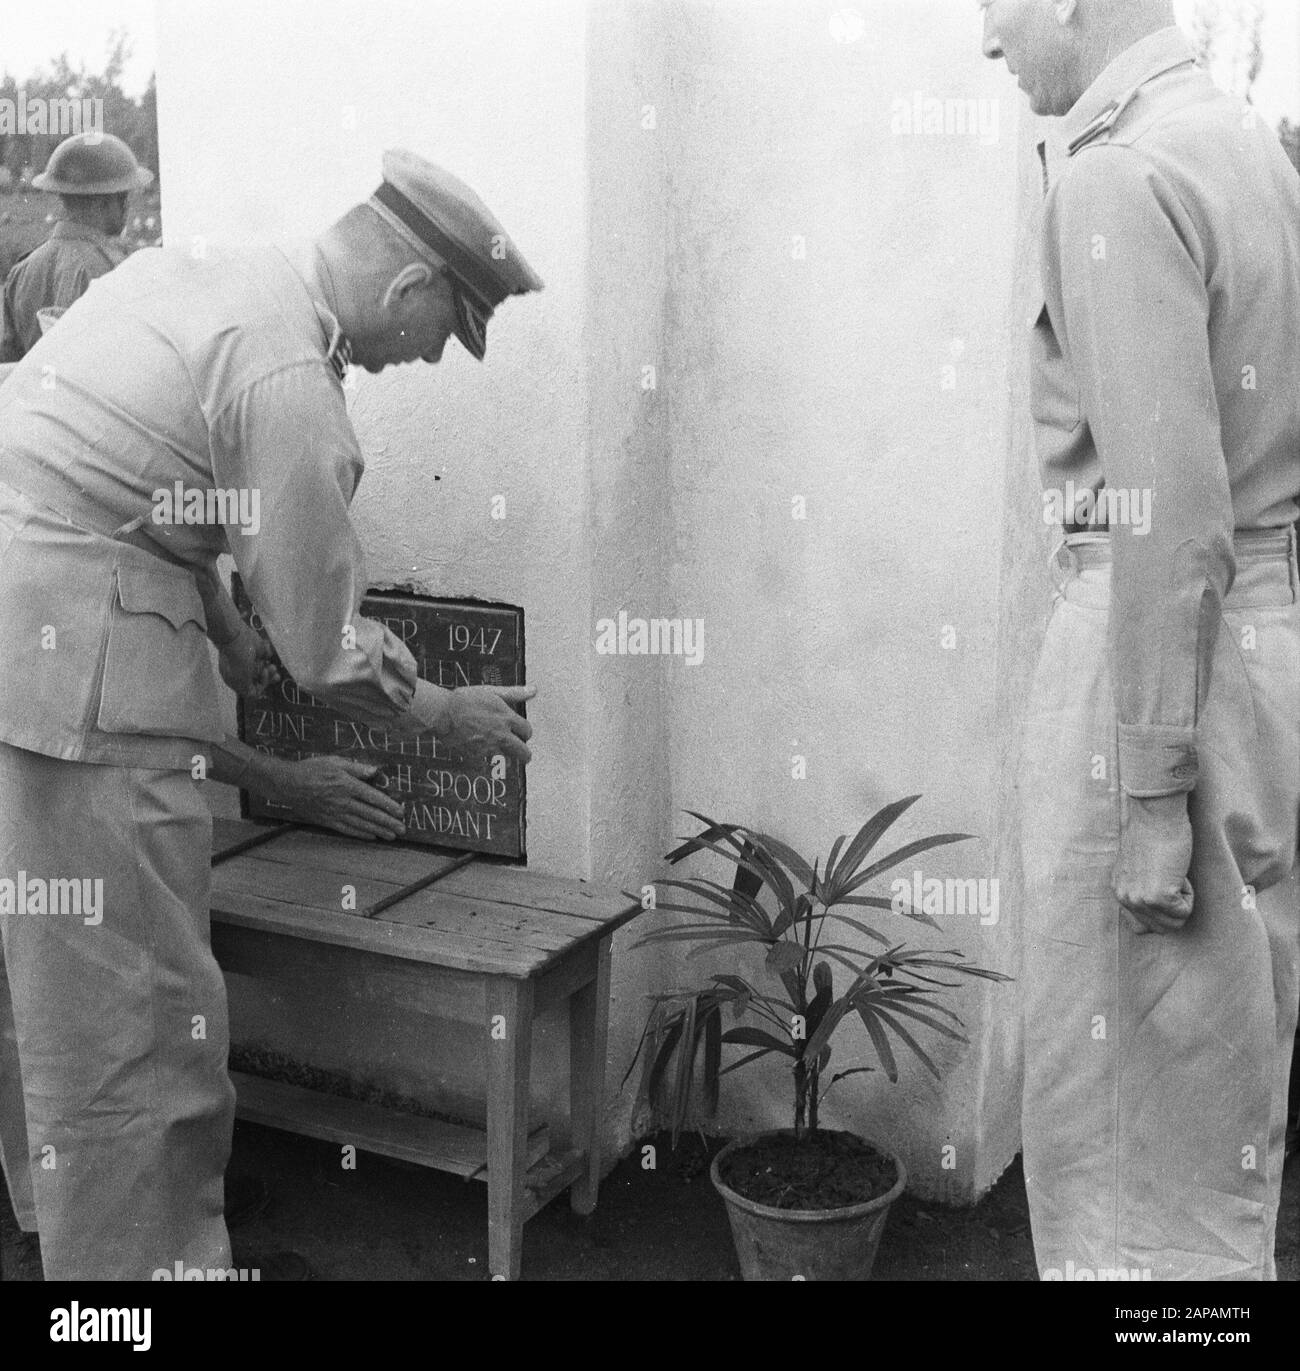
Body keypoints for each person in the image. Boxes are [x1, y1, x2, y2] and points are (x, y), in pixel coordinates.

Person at [0, 147, 541, 1281]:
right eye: (445, 328)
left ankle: (77, 1244)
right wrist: (447, 711)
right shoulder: (290, 376)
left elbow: (140, 486)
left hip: (28, 649)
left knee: (51, 991)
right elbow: (326, 640)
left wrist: (226, 632)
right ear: (407, 289)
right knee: (141, 1027)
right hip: (76, 687)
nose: (427, 357)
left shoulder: (213, 273)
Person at [980, 0, 1300, 1280]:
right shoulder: (1241, 143)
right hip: (1252, 648)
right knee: (1212, 1119)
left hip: (1154, 665)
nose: (987, 43)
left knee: (1125, 1163)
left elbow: (1165, 515)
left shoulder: (1120, 175)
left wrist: (1152, 792)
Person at [1, 132, 147, 364]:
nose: (127, 208)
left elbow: (9, 367)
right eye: (123, 198)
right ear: (102, 202)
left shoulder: (21, 272)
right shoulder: (118, 270)